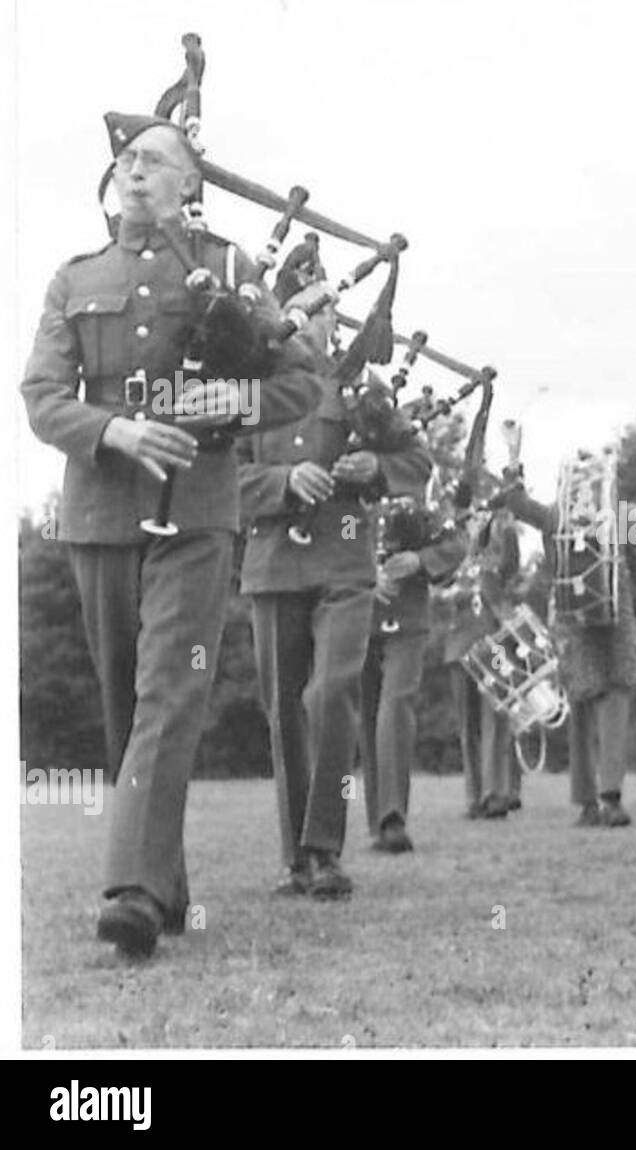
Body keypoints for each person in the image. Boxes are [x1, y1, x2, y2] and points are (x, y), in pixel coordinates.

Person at [21, 112, 324, 957]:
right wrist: (114, 431)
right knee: (125, 705)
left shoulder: (231, 269)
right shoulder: (74, 277)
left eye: (155, 161)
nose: (136, 171)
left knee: (168, 690)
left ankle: (131, 893)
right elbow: (43, 396)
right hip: (100, 516)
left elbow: (300, 382)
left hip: (196, 511)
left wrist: (211, 405)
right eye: (127, 161)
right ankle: (165, 880)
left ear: (190, 183)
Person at [239, 340, 432, 899]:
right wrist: (282, 482)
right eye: (309, 303)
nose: (322, 320)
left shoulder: (360, 388)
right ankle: (296, 859)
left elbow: (418, 463)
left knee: (331, 692)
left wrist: (377, 467)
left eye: (328, 306)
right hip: (274, 564)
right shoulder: (246, 388)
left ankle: (325, 848)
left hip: (346, 562)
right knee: (284, 711)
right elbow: (220, 478)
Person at [502, 453, 635, 827]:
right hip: (580, 619)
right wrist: (513, 460)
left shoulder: (606, 517)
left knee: (601, 700)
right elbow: (517, 503)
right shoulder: (587, 518)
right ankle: (597, 798)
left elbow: (517, 504)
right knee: (590, 700)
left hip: (603, 619)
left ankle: (599, 798)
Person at [359, 498, 466, 852]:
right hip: (357, 613)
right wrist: (362, 575)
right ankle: (379, 819)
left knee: (395, 705)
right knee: (367, 716)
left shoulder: (421, 481)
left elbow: (456, 542)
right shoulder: (344, 469)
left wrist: (421, 560)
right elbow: (334, 537)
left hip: (408, 619)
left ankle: (392, 818)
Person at [436, 506, 524, 820]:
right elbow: (436, 585)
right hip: (459, 643)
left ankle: (496, 793)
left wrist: (509, 528)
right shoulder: (450, 550)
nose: (473, 524)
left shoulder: (496, 554)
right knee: (469, 724)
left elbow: (511, 567)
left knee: (497, 718)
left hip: (494, 639)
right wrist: (447, 593)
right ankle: (474, 797)